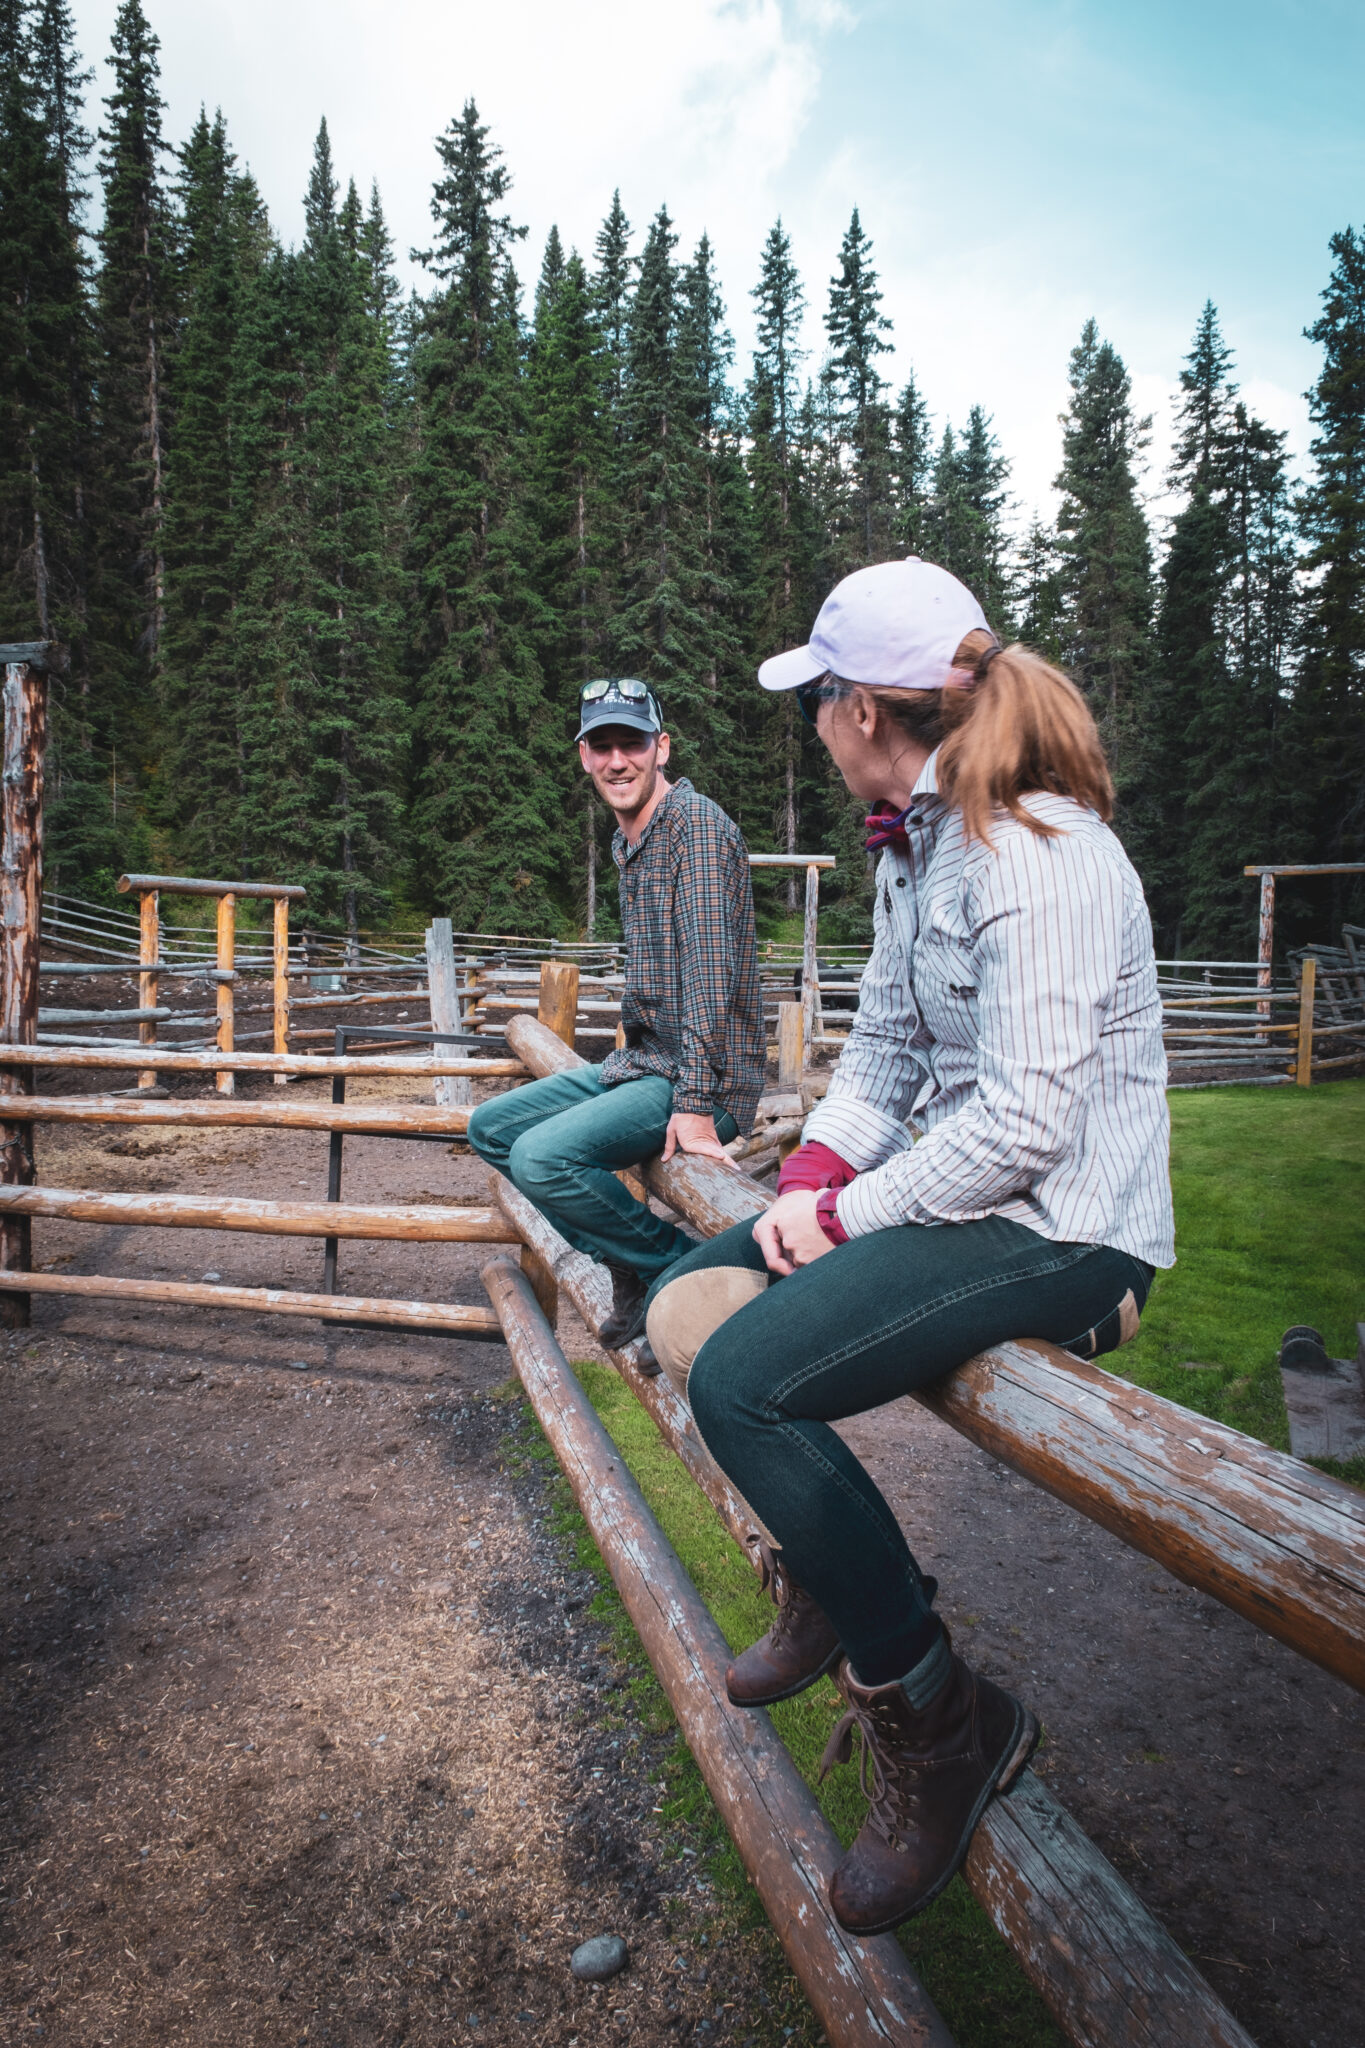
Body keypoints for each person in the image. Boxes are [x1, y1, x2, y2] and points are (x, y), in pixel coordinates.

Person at [643, 558, 1173, 1934]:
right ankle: (836, 1583)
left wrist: (836, 1217)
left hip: (1066, 1226)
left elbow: (1024, 1126)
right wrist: (814, 1172)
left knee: (744, 1382)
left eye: (812, 703)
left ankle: (943, 1715)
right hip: (967, 1194)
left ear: (862, 711)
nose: (811, 727)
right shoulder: (921, 842)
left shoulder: (1035, 853)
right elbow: (884, 1043)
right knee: (681, 1303)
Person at [468, 677, 766, 1351]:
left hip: (704, 1078)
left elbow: (709, 979)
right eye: (600, 746)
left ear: (662, 747)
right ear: (584, 757)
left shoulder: (694, 828)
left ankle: (676, 1269)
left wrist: (695, 1105)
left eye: (630, 743)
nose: (616, 761)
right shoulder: (628, 840)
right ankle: (630, 1264)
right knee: (491, 1128)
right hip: (648, 1064)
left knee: (542, 1158)